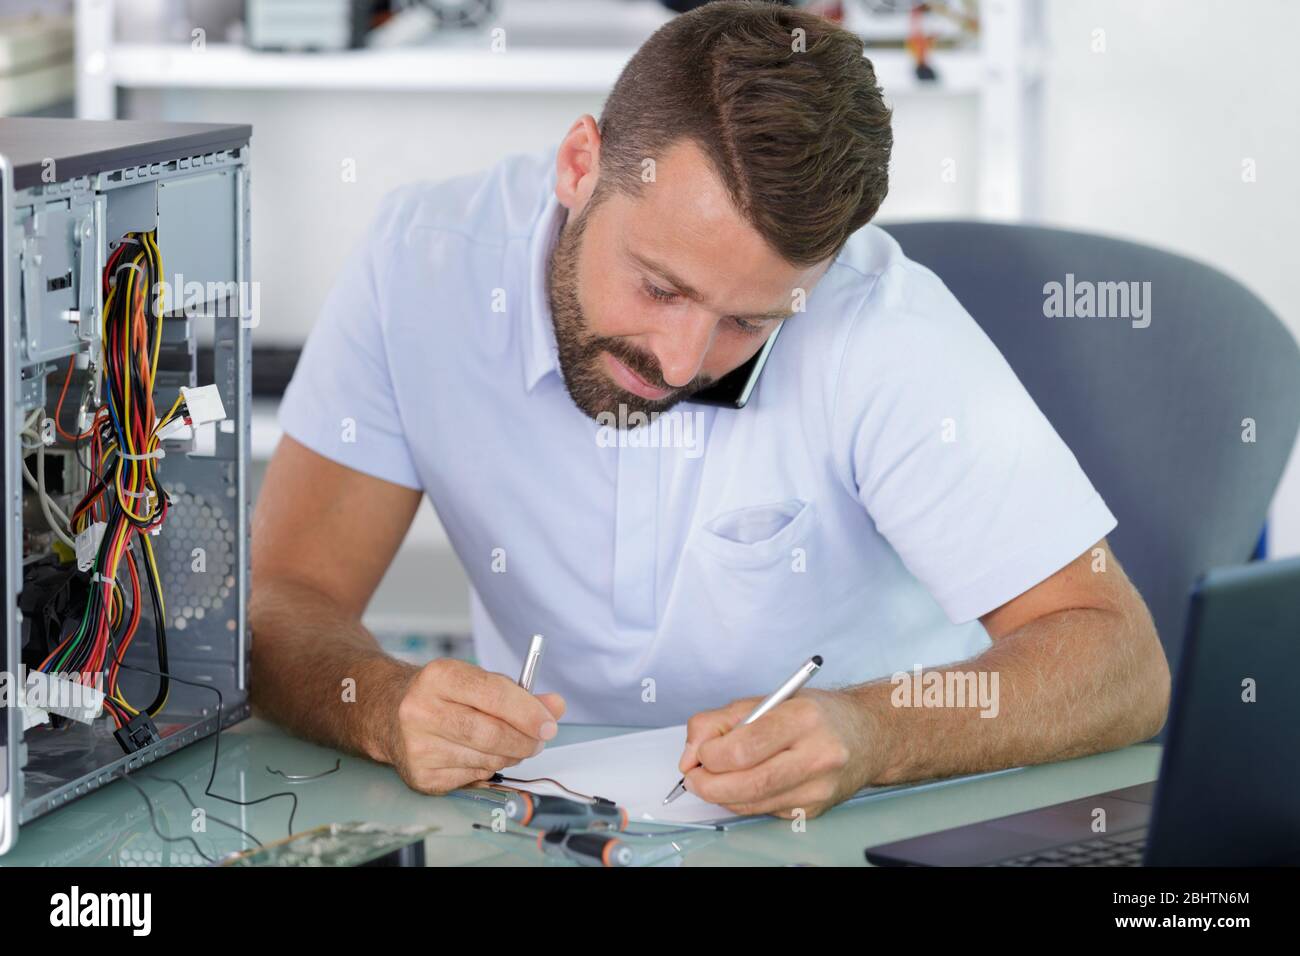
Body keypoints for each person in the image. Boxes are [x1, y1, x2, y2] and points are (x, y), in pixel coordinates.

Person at [251, 1, 1169, 819]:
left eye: (748, 322)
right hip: (550, 820)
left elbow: (1122, 663)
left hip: (864, 824)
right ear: (580, 165)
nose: (681, 362)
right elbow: (284, 596)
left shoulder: (885, 329)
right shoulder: (422, 265)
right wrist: (375, 701)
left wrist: (876, 735)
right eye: (659, 287)